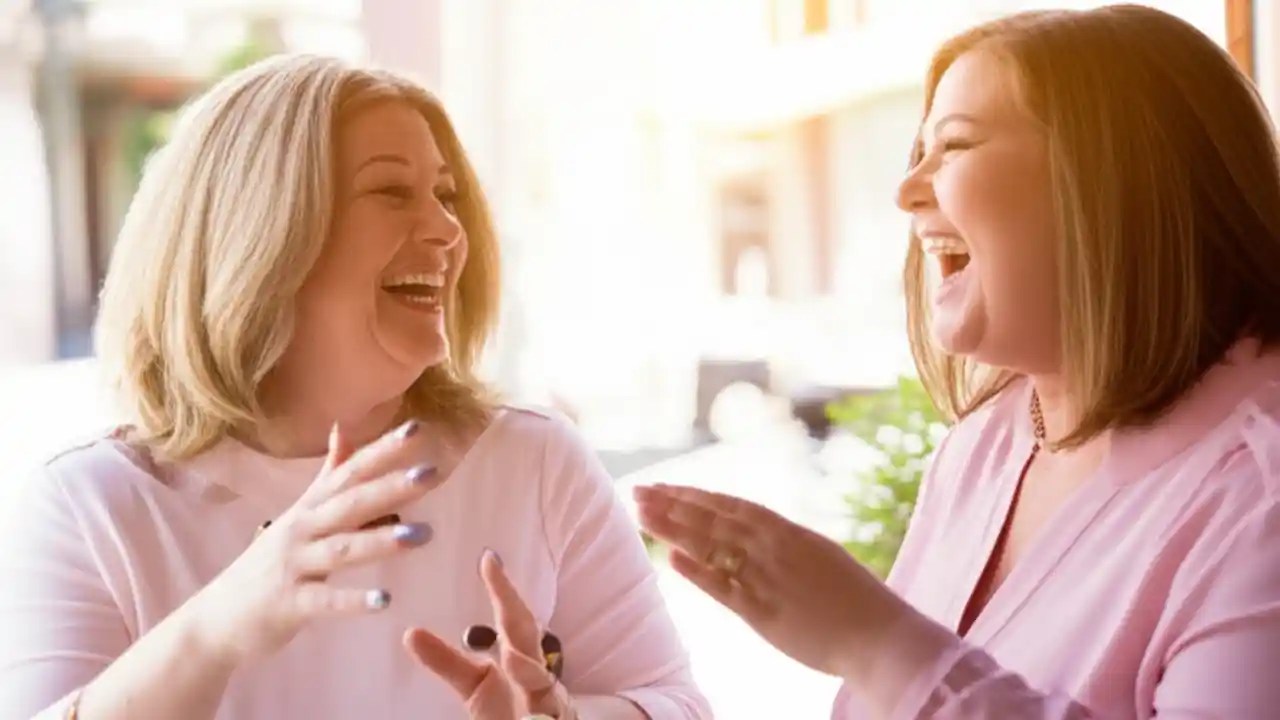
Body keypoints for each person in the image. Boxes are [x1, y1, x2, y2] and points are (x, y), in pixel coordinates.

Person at [0, 54, 710, 720]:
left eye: (446, 194)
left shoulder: (536, 461)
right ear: (258, 235)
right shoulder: (88, 506)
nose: (446, 230)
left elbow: (675, 702)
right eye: (391, 192)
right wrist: (222, 627)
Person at [635, 5, 1280, 719]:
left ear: (1111, 182)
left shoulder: (1262, 493)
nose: (907, 191)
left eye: (955, 146)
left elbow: (894, 666)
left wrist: (872, 640)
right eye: (919, 153)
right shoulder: (989, 441)